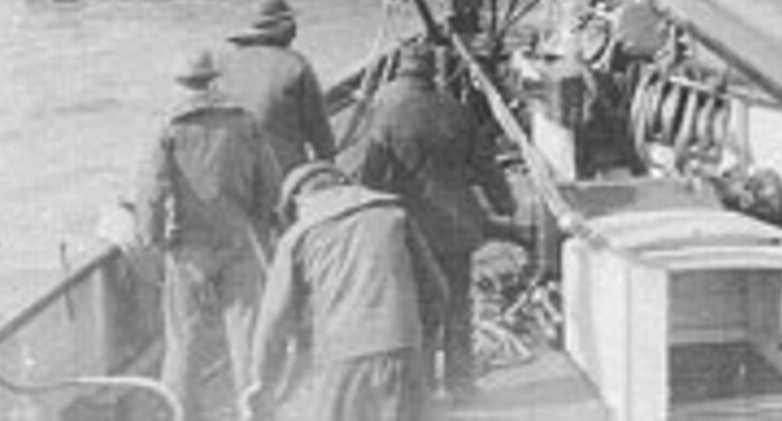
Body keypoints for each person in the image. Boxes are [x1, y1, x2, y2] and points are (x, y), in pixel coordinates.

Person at [357, 42, 519, 399]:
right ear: (433, 73)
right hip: (458, 226)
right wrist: (504, 202)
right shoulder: (456, 110)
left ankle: (424, 389)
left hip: (412, 229)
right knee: (458, 306)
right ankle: (461, 386)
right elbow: (485, 164)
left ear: (402, 72)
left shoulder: (388, 114)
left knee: (421, 308)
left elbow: (371, 177)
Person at [136, 49, 282, 420]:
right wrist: (256, 224)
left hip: (189, 248)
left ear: (181, 84)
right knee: (246, 334)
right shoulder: (244, 122)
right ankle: (255, 412)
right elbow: (271, 184)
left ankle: (181, 413)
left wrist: (153, 241)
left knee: (184, 340)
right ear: (213, 80)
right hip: (238, 240)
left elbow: (152, 192)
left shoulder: (169, 127)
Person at [241, 161, 448, 421]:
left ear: (297, 202)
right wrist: (416, 343)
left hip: (340, 361)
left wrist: (263, 385)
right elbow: (436, 291)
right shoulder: (394, 215)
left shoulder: (297, 237)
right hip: (402, 351)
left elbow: (273, 323)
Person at [220, 0, 336, 176]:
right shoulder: (296, 65)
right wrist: (328, 169)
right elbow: (320, 135)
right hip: (283, 172)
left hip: (234, 172)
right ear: (287, 31)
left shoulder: (224, 65)